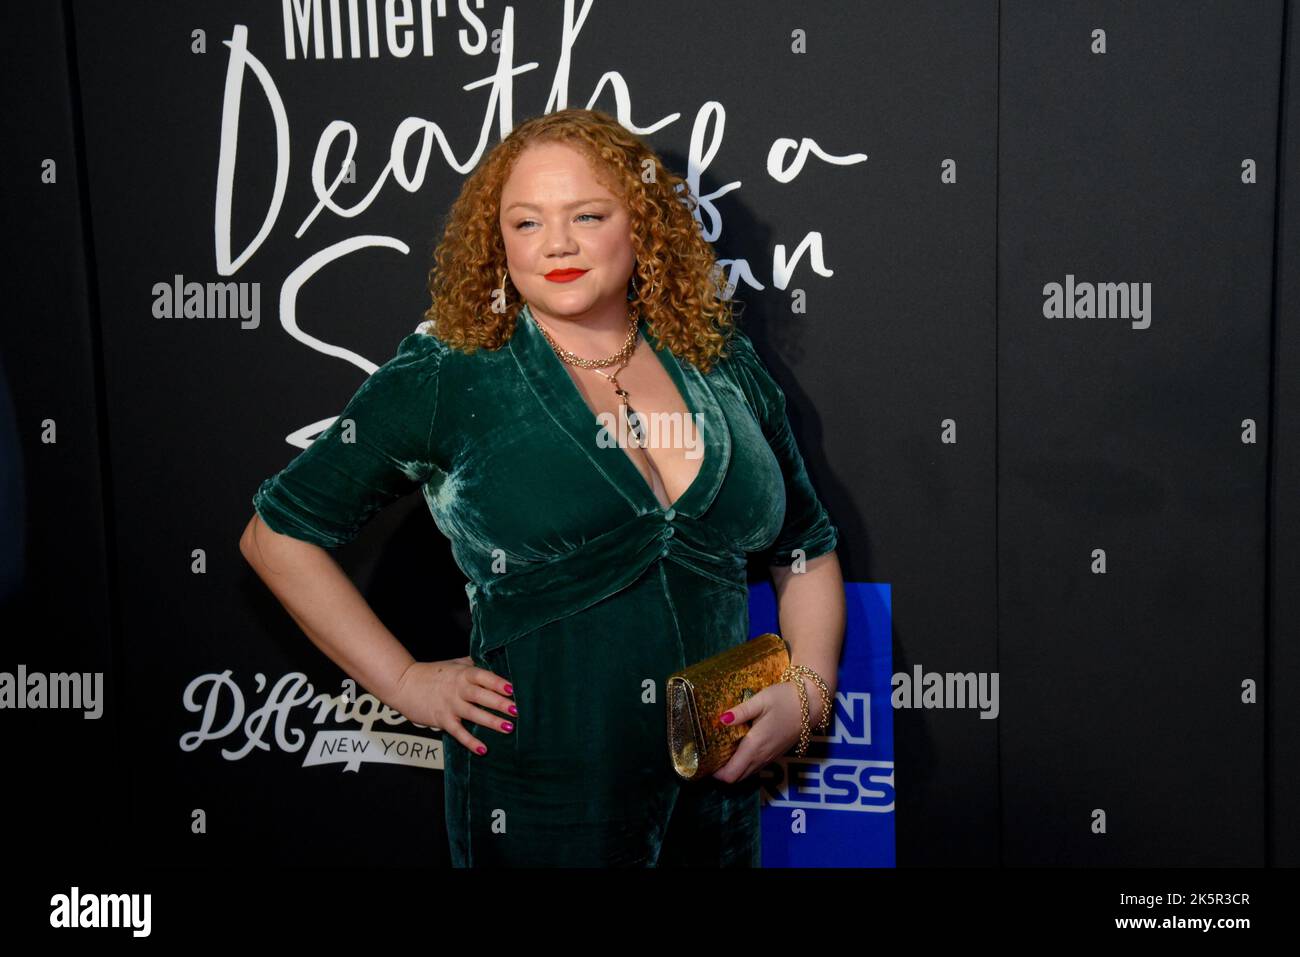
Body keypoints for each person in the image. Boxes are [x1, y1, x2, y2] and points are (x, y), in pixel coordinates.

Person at [240, 108, 846, 867]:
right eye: (525, 223)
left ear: (643, 226)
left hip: (718, 792)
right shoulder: (452, 373)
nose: (556, 244)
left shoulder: (717, 363)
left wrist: (808, 691)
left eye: (587, 215)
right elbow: (276, 534)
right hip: (541, 805)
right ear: (497, 240)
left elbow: (810, 550)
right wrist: (403, 680)